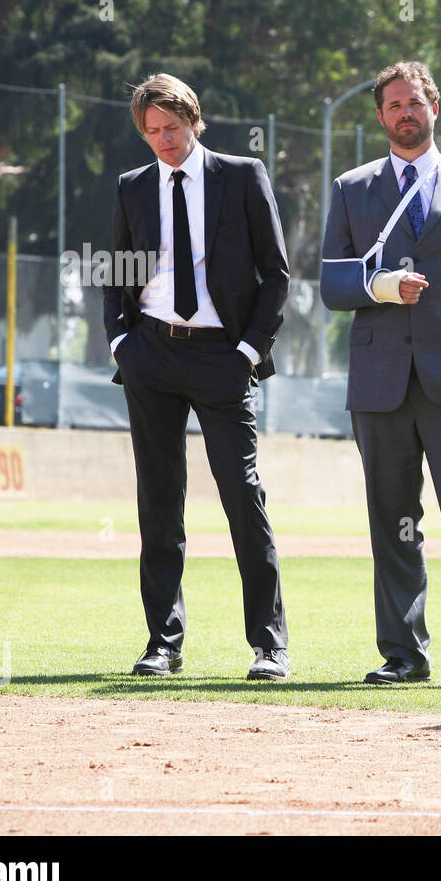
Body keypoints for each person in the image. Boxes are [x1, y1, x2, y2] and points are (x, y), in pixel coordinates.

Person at [320, 61, 441, 690]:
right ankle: (404, 655)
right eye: (394, 106)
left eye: (416, 102)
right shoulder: (351, 188)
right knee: (393, 523)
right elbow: (331, 283)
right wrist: (380, 285)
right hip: (380, 386)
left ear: (434, 107)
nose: (406, 113)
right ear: (380, 116)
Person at [105, 73, 291, 681]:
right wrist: (121, 343)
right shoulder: (132, 187)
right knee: (159, 501)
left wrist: (247, 351)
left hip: (223, 358)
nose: (163, 140)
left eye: (172, 127)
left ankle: (268, 646)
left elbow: (276, 274)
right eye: (151, 131)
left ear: (194, 120)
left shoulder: (241, 176)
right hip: (151, 355)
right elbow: (117, 272)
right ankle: (163, 642)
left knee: (242, 495)